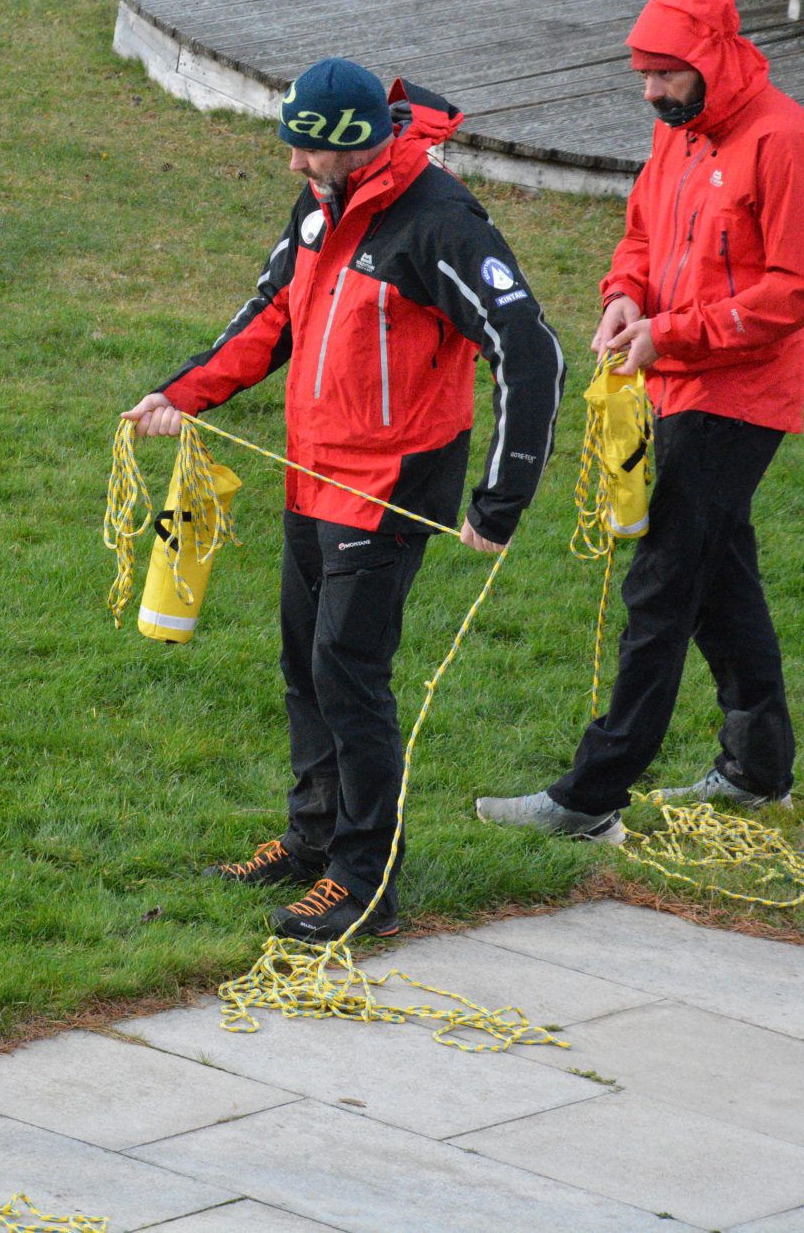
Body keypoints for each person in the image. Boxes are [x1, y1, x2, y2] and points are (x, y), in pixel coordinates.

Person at [124, 58, 565, 943]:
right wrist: (182, 393)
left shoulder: (439, 225)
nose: (290, 164)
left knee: (348, 676)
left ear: (354, 148)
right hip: (312, 474)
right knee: (303, 666)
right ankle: (313, 838)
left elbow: (532, 348)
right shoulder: (322, 207)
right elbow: (269, 317)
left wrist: (502, 495)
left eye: (305, 149)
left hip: (392, 487)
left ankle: (365, 878)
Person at [476, 0, 804, 841]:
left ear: (712, 57)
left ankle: (589, 797)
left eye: (664, 73)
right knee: (718, 571)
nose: (650, 90)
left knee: (662, 582)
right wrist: (624, 294)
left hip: (739, 394)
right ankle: (759, 769)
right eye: (643, 73)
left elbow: (799, 289)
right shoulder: (677, 130)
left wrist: (673, 336)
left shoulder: (785, 142)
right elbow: (642, 232)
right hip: (674, 378)